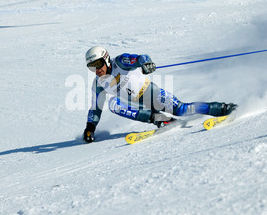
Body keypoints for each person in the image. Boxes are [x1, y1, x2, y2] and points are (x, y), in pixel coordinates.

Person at [83, 46, 236, 143]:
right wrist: (90, 127)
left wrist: (146, 63)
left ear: (106, 59)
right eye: (92, 67)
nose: (97, 70)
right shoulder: (98, 84)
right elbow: (95, 108)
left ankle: (222, 109)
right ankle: (163, 120)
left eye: (98, 64)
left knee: (182, 110)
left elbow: (140, 58)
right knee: (113, 104)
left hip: (150, 93)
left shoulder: (121, 62)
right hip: (136, 105)